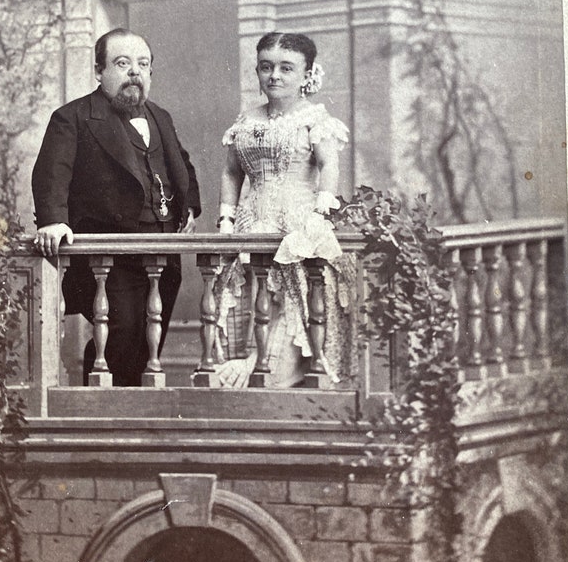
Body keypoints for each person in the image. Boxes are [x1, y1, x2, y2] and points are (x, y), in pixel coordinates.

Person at [32, 28, 200, 386]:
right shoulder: (73, 117)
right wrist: (53, 220)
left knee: (149, 339)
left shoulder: (161, 117)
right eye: (122, 64)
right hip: (109, 254)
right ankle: (100, 406)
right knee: (119, 334)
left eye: (142, 64)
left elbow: (183, 168)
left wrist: (191, 210)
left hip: (163, 251)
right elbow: (52, 173)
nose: (134, 72)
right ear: (99, 70)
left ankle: (132, 413)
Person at [214, 31, 355, 389]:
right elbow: (231, 171)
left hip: (296, 220)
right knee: (244, 290)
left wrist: (321, 212)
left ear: (307, 75)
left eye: (286, 68)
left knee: (287, 295)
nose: (274, 75)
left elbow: (329, 166)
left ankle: (262, 362)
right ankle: (243, 357)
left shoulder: (313, 119)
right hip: (251, 221)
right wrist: (227, 217)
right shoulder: (247, 120)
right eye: (266, 67)